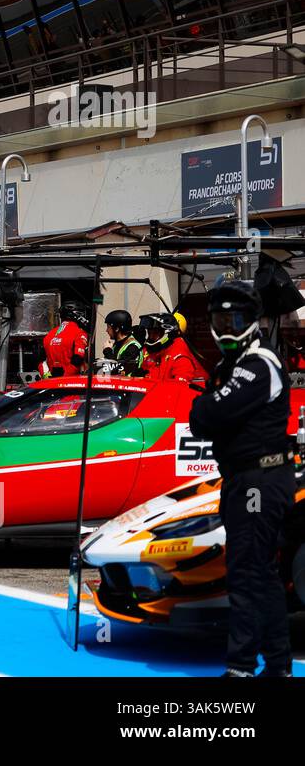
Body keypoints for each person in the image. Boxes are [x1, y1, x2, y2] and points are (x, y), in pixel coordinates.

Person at [189, 280, 295, 677]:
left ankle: (241, 667)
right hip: (244, 479)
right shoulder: (228, 367)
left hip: (260, 480)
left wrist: (209, 408)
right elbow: (203, 419)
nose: (228, 328)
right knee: (260, 571)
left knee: (248, 571)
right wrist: (209, 409)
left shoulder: (259, 363)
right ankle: (279, 664)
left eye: (236, 319)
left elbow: (207, 415)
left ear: (251, 321)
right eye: (221, 319)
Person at [140, 312, 207, 382]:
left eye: (155, 333)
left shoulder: (180, 356)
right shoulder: (157, 351)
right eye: (150, 333)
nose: (151, 337)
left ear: (167, 333)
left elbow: (179, 388)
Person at [40, 301, 90, 378]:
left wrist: (47, 377)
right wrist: (64, 378)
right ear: (76, 315)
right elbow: (78, 358)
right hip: (71, 382)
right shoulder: (80, 333)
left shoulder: (49, 334)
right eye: (82, 313)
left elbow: (41, 361)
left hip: (51, 382)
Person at [103, 310, 144, 376]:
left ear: (116, 329)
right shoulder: (117, 344)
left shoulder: (133, 347)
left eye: (108, 327)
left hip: (129, 384)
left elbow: (118, 369)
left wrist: (107, 350)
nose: (106, 330)